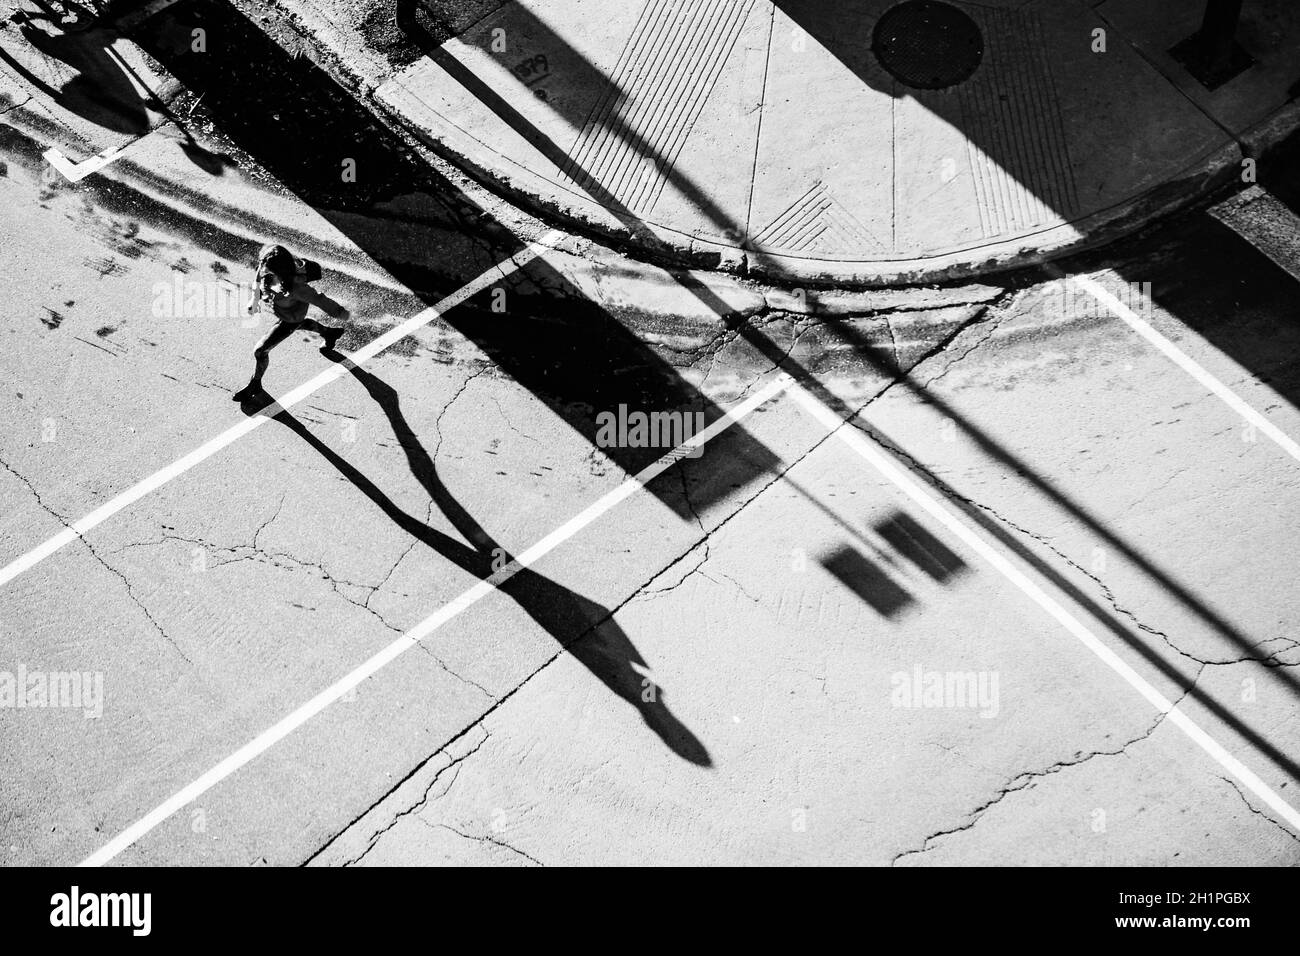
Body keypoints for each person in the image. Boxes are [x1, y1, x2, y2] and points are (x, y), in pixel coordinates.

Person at [233, 245, 348, 403]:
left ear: (280, 270)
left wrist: (341, 313)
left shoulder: (297, 287)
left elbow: (319, 299)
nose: (264, 270)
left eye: (269, 269)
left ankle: (255, 384)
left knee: (260, 351)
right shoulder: (267, 267)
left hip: (292, 316)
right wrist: (254, 299)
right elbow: (258, 278)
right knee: (299, 324)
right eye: (264, 266)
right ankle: (330, 333)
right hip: (285, 311)